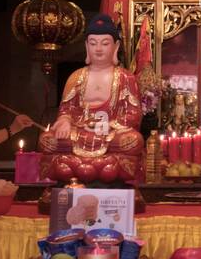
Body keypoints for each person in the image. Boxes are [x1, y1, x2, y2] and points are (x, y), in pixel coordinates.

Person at [37, 13, 144, 184]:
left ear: (116, 47)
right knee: (47, 140)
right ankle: (102, 167)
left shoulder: (126, 78)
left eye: (105, 43)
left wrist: (108, 125)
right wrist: (64, 121)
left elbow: (134, 113)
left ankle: (72, 167)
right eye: (93, 43)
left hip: (110, 133)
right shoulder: (76, 77)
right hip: (78, 131)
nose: (99, 49)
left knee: (133, 141)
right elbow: (66, 109)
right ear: (87, 46)